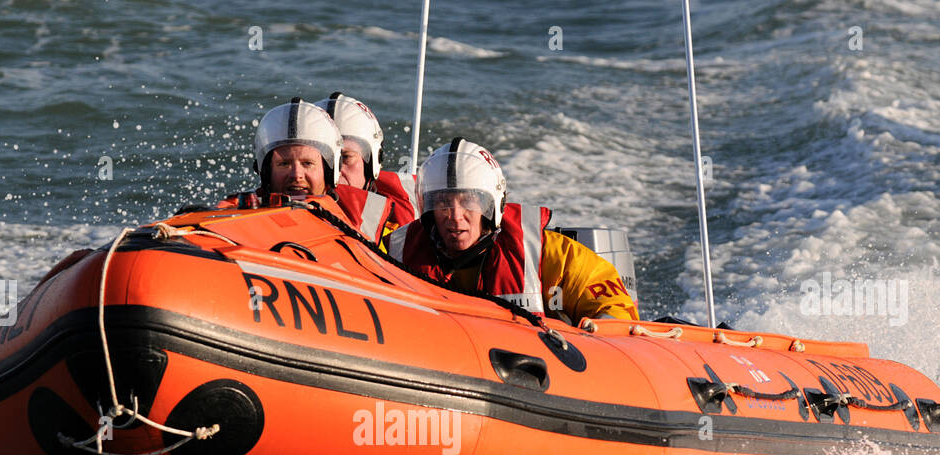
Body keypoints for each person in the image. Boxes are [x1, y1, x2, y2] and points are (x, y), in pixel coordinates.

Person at [386, 138, 639, 325]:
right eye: (442, 203)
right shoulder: (396, 252)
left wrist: (599, 331)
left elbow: (615, 307)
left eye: (468, 201)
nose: (455, 216)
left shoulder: (545, 253)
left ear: (493, 205)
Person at [219, 98, 394, 244]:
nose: (296, 175)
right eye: (284, 163)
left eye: (307, 163)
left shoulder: (378, 226)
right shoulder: (238, 216)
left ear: (330, 171)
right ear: (265, 171)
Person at [316, 92, 417, 227]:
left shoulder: (396, 234)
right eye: (323, 159)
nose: (333, 171)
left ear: (372, 164)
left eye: (345, 157)